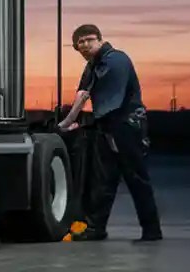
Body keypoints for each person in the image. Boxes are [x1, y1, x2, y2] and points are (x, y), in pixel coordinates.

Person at [58, 24, 162, 243]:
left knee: (136, 178)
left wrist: (69, 122)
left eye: (88, 40)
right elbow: (81, 93)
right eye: (80, 43)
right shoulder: (91, 66)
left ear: (99, 40)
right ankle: (96, 228)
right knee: (102, 180)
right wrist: (69, 121)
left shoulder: (116, 60)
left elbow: (108, 101)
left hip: (126, 126)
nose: (85, 45)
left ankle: (152, 231)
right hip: (107, 127)